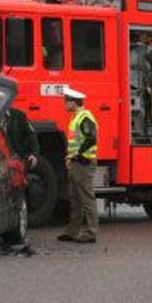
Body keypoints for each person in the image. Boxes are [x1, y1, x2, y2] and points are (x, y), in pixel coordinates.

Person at [57, 86, 99, 243]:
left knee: (86, 199)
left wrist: (77, 154)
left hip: (83, 164)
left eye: (66, 102)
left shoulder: (84, 117)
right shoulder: (76, 117)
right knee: (75, 199)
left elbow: (91, 138)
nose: (65, 105)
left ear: (73, 102)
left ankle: (91, 232)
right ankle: (72, 231)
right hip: (76, 163)